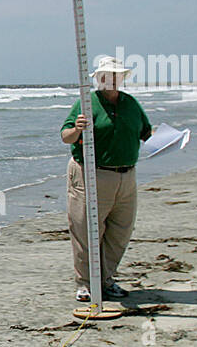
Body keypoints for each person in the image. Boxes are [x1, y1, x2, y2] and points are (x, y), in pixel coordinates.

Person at [59, 55, 154, 302]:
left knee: (120, 231)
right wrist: (78, 128)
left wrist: (170, 139)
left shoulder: (131, 104)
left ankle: (106, 279)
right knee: (86, 230)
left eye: (115, 76)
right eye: (105, 76)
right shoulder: (86, 103)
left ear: (121, 78)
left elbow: (147, 133)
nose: (110, 80)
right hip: (91, 173)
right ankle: (84, 283)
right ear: (98, 79)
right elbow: (66, 136)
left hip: (127, 175)